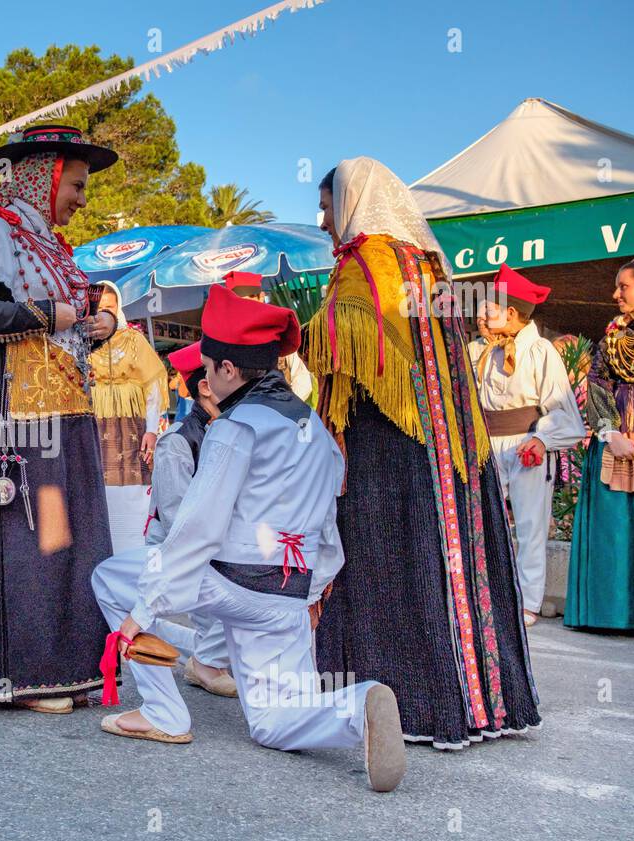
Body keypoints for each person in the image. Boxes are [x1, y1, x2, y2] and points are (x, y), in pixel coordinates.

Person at [91, 286, 407, 792]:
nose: (207, 381)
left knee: (109, 576)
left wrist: (141, 613)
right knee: (274, 722)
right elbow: (328, 534)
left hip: (230, 584)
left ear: (230, 370)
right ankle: (357, 705)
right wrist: (310, 592)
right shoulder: (318, 434)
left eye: (211, 368)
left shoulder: (236, 427)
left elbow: (197, 529)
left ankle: (164, 713)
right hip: (286, 595)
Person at [305, 157, 540, 749]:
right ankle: (479, 700)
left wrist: (293, 329)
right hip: (454, 450)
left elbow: (334, 342)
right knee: (446, 567)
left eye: (328, 204)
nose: (324, 218)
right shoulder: (429, 266)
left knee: (387, 565)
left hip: (388, 448)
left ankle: (399, 701)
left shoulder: (366, 263)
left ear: (352, 200)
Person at [0, 124, 119, 714]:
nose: (83, 199)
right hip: (8, 418)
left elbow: (64, 329)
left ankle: (68, 668)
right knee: (33, 541)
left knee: (69, 541)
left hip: (64, 413)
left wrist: (97, 328)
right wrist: (49, 312)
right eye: (77, 185)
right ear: (45, 176)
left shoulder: (52, 246)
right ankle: (22, 675)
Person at [469, 265, 585, 626]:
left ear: (512, 313)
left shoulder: (540, 351)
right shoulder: (479, 351)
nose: (482, 312)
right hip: (487, 446)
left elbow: (563, 410)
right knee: (482, 521)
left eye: (490, 307)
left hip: (527, 444)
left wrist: (540, 438)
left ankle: (529, 601)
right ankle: (484, 595)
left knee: (531, 525)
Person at [141, 340, 236, 698]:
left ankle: (202, 658)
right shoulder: (177, 442)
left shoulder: (231, 431)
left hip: (210, 544)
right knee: (239, 597)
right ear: (206, 386)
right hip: (178, 548)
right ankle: (204, 663)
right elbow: (177, 518)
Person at [567, 257, 634, 632]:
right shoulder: (614, 335)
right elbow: (600, 385)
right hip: (617, 444)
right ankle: (614, 614)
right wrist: (610, 432)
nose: (616, 293)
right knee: (616, 529)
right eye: (618, 286)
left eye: (625, 286)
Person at [90, 281, 166, 553]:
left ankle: (133, 551)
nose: (103, 314)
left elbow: (154, 385)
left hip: (130, 430)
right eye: (98, 308)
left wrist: (152, 430)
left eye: (109, 308)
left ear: (118, 309)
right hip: (94, 427)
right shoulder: (82, 342)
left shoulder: (134, 341)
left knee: (132, 494)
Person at [223, 270, 315, 402]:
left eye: (248, 303)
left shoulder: (282, 332)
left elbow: (302, 381)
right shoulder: (224, 343)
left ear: (261, 297)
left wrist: (283, 408)